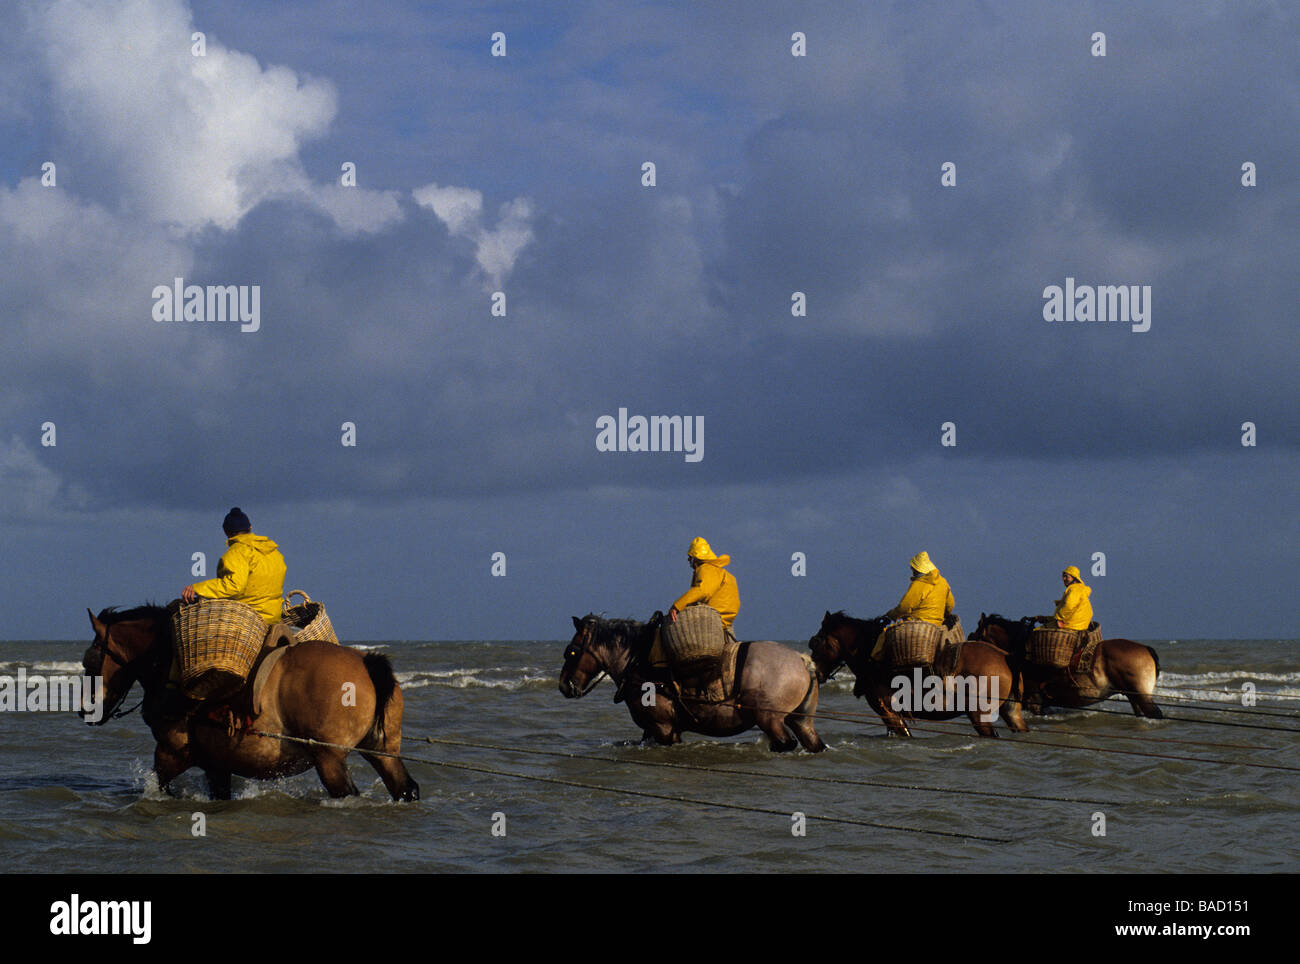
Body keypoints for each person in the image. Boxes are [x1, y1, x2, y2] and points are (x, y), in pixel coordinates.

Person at [181, 507, 287, 625]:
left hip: (248, 618)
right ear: (250, 527)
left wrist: (197, 588)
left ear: (226, 532)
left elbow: (233, 586)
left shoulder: (236, 553)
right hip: (274, 617)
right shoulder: (274, 551)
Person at [871, 551, 955, 661]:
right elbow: (950, 605)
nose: (912, 570)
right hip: (937, 625)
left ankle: (875, 661)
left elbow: (904, 607)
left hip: (918, 625)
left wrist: (890, 615)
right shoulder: (943, 582)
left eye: (913, 568)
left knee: (885, 635)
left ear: (919, 568)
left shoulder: (919, 584)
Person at [668, 537, 740, 635]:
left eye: (690, 557)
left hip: (711, 620)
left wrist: (676, 606)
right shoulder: (723, 573)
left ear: (696, 558)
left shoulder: (706, 569)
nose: (688, 560)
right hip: (726, 622)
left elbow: (703, 591)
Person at [1043, 565, 1093, 631]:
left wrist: (1059, 619)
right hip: (1079, 624)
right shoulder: (1079, 589)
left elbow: (1069, 605)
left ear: (1074, 578)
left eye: (1067, 577)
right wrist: (1047, 618)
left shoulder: (1074, 589)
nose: (1064, 579)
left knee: (1037, 631)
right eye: (1063, 576)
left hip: (1072, 625)